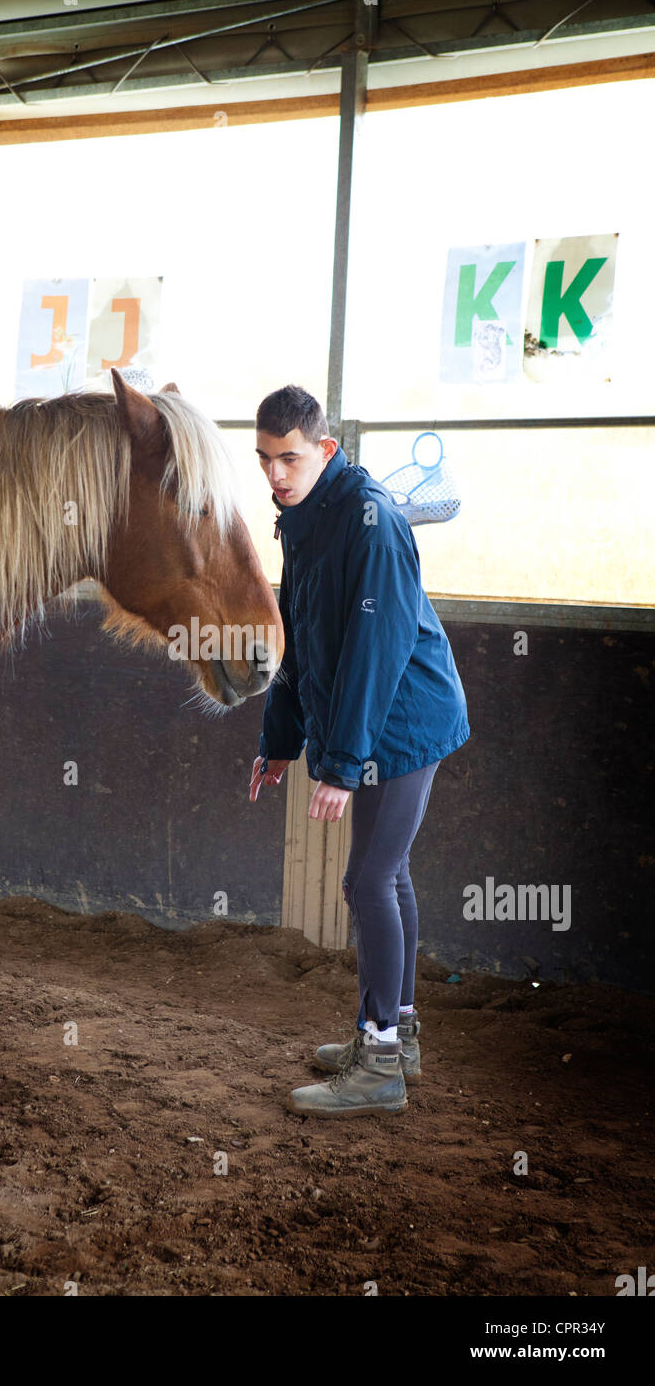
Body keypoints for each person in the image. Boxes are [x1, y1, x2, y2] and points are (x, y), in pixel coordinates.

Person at [248, 385, 470, 1117]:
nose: (275, 475)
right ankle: (395, 1037)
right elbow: (298, 634)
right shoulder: (303, 518)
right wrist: (280, 742)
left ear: (326, 450)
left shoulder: (371, 522)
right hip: (376, 716)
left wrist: (341, 765)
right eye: (264, 459)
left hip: (404, 718)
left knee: (369, 881)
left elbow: (375, 650)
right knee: (387, 875)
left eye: (289, 458)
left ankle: (378, 1062)